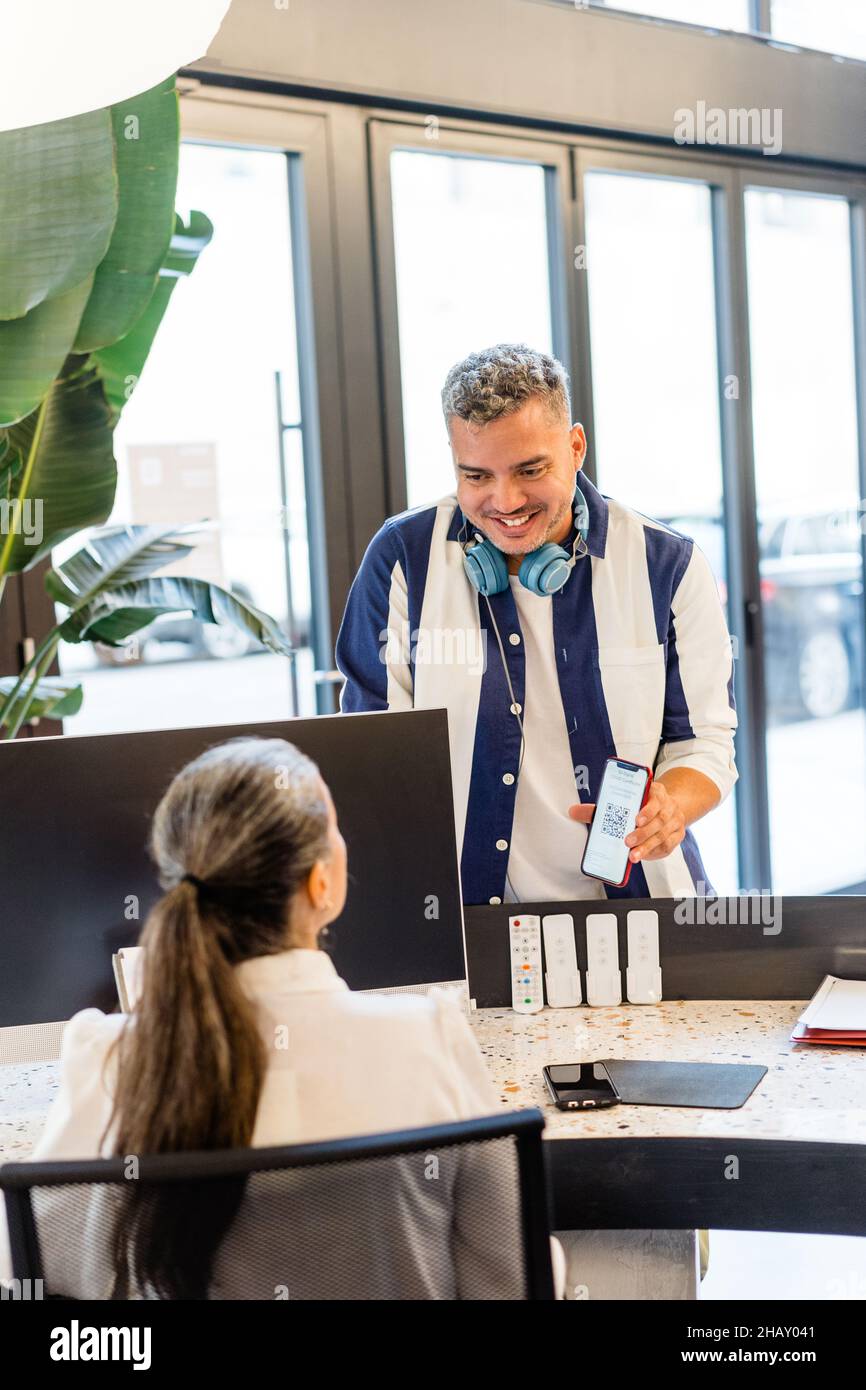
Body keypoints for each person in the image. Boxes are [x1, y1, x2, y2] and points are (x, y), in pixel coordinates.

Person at [0, 737, 561, 1299]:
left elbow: (28, 1263)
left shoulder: (108, 1058)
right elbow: (519, 1278)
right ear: (321, 882)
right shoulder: (427, 1039)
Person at [335, 342, 738, 905]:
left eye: (530, 469)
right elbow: (374, 753)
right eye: (476, 475)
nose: (506, 500)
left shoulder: (666, 565)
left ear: (575, 446)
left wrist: (669, 807)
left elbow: (705, 746)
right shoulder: (402, 559)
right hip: (470, 921)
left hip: (644, 912)